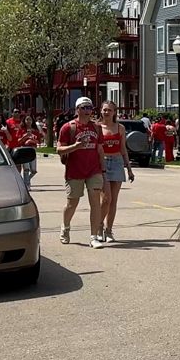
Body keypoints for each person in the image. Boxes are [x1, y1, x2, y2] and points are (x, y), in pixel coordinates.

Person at [57, 96, 106, 249]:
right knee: (72, 203)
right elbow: (59, 149)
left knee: (95, 202)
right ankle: (65, 227)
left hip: (94, 170)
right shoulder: (68, 127)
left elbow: (100, 149)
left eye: (89, 108)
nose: (87, 111)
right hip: (75, 170)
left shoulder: (97, 128)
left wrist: (103, 170)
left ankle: (93, 236)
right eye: (83, 108)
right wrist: (75, 147)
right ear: (77, 109)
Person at [96, 100, 134, 243]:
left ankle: (109, 230)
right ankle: (98, 227)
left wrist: (129, 169)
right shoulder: (97, 127)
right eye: (104, 109)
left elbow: (123, 149)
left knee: (113, 201)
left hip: (117, 162)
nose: (107, 112)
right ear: (101, 110)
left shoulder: (120, 128)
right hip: (102, 163)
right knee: (106, 199)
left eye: (109, 110)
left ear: (114, 112)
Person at [18, 117, 42, 191]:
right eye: (27, 119)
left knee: (34, 170)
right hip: (24, 149)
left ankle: (25, 181)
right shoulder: (22, 130)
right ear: (24, 121)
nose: (28, 121)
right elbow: (19, 141)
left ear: (32, 121)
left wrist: (32, 140)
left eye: (30, 120)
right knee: (26, 169)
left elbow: (39, 142)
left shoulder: (35, 131)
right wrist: (25, 136)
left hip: (32, 150)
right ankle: (27, 185)